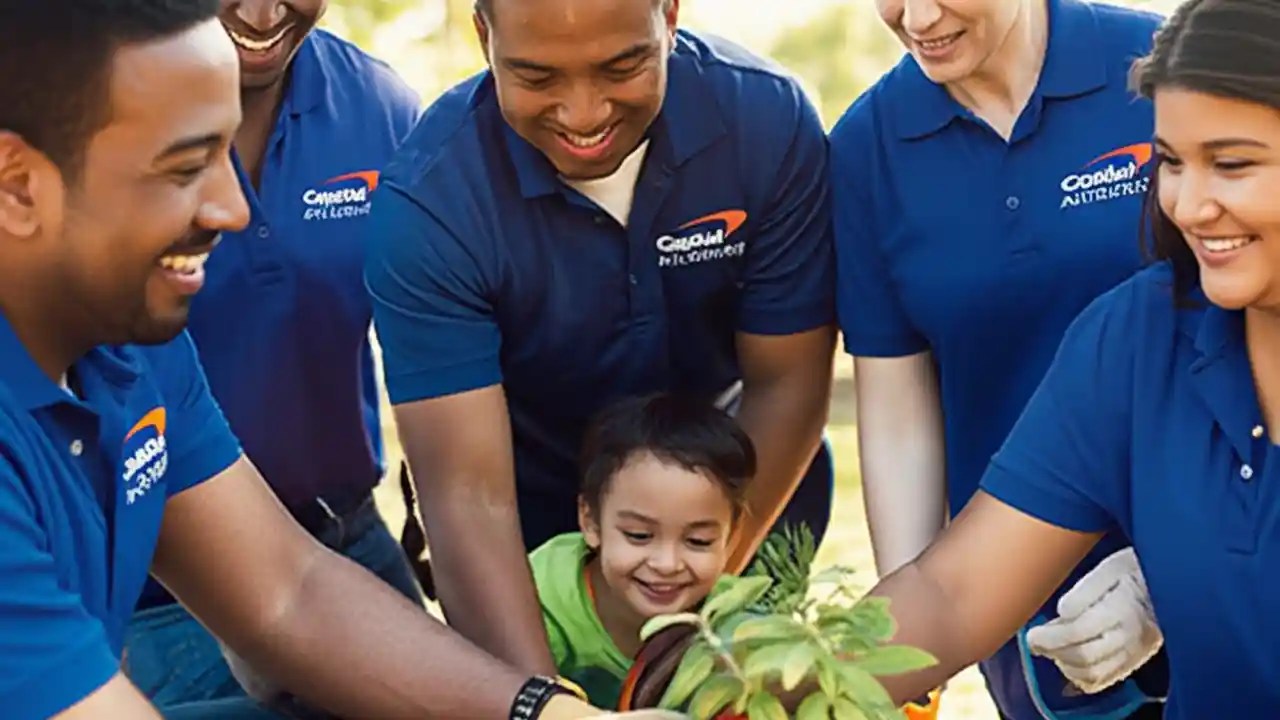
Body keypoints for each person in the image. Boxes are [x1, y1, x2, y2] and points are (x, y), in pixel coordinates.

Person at [0, 2, 682, 719]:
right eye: (184, 169)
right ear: (17, 184)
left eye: (226, 154)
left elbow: (288, 590)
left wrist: (548, 713)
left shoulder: (132, 351)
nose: (234, 210)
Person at [363, 0, 838, 679]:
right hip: (522, 528)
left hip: (741, 492)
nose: (583, 114)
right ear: (482, 35)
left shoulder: (766, 124)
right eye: (535, 77)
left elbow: (787, 384)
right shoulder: (431, 204)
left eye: (624, 66)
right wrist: (538, 697)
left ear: (670, 16)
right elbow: (466, 494)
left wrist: (692, 596)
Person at [862, 0, 1280, 717]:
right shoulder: (1137, 339)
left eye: (1232, 165)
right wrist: (723, 688)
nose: (1189, 204)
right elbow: (949, 595)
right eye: (1172, 162)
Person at [828, 0, 1171, 714]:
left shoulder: (1154, 64)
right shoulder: (869, 146)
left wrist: (1175, 570)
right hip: (1012, 588)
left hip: (1222, 538)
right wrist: (908, 657)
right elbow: (898, 407)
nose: (917, 17)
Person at [122, 0, 427, 709]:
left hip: (343, 543)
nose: (263, 11)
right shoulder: (93, 114)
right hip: (155, 600)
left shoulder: (379, 109)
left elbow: (432, 351)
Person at [532, 393, 754, 708]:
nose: (667, 564)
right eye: (639, 535)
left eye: (698, 541)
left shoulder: (736, 623)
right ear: (591, 521)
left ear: (732, 537)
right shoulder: (540, 598)